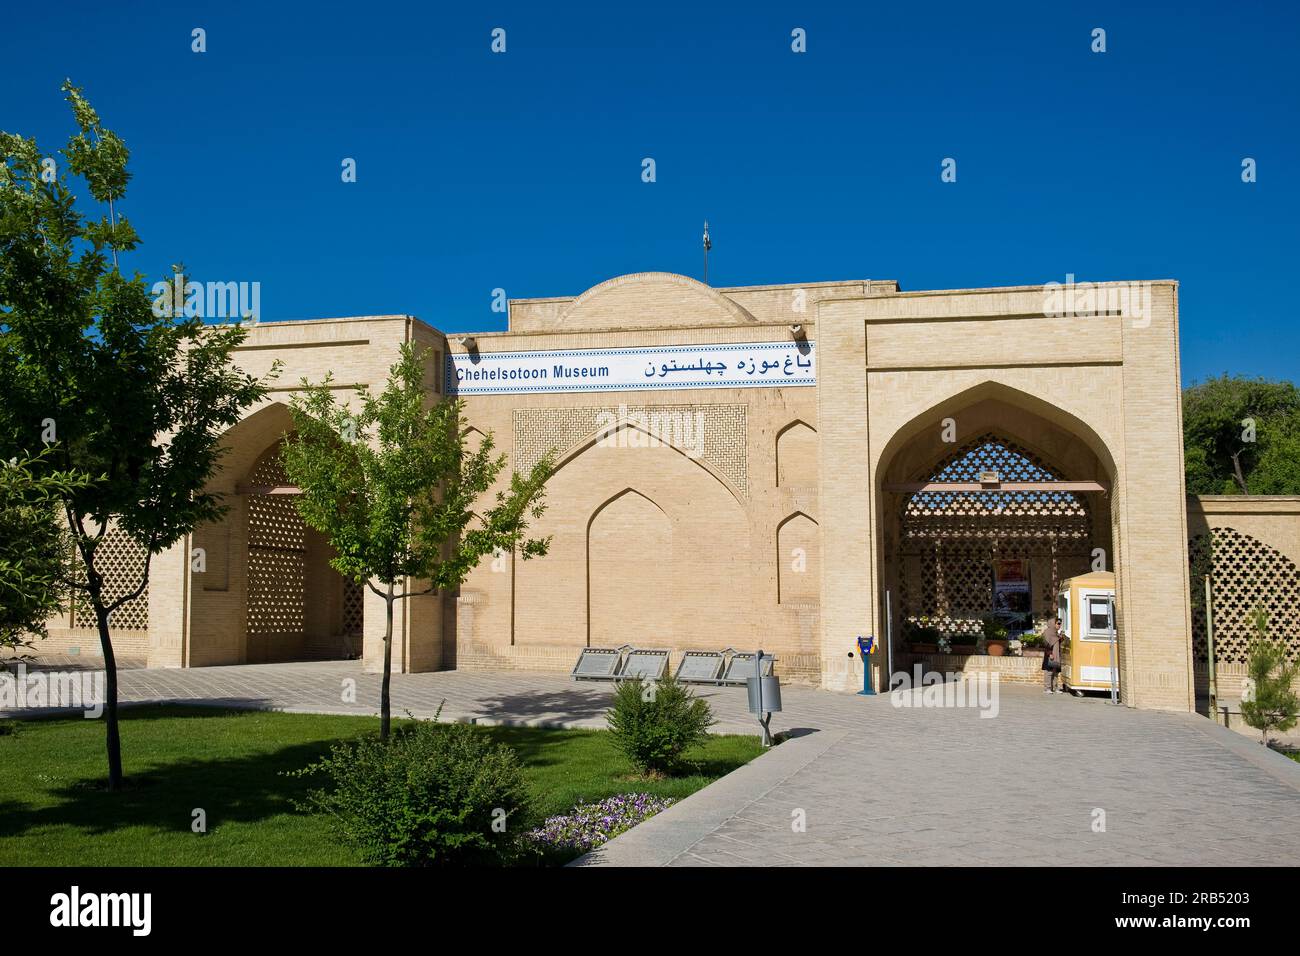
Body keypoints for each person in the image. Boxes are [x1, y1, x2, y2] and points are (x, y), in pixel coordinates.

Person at [1042, 616, 1064, 694]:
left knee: (1055, 672)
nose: (1059, 625)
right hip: (1050, 655)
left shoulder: (1055, 633)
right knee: (1049, 672)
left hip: (1057, 655)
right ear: (1053, 623)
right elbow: (1046, 645)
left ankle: (1055, 687)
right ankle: (1047, 688)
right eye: (1058, 623)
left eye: (1060, 624)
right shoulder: (1047, 632)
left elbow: (1057, 643)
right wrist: (1050, 653)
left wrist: (1061, 637)